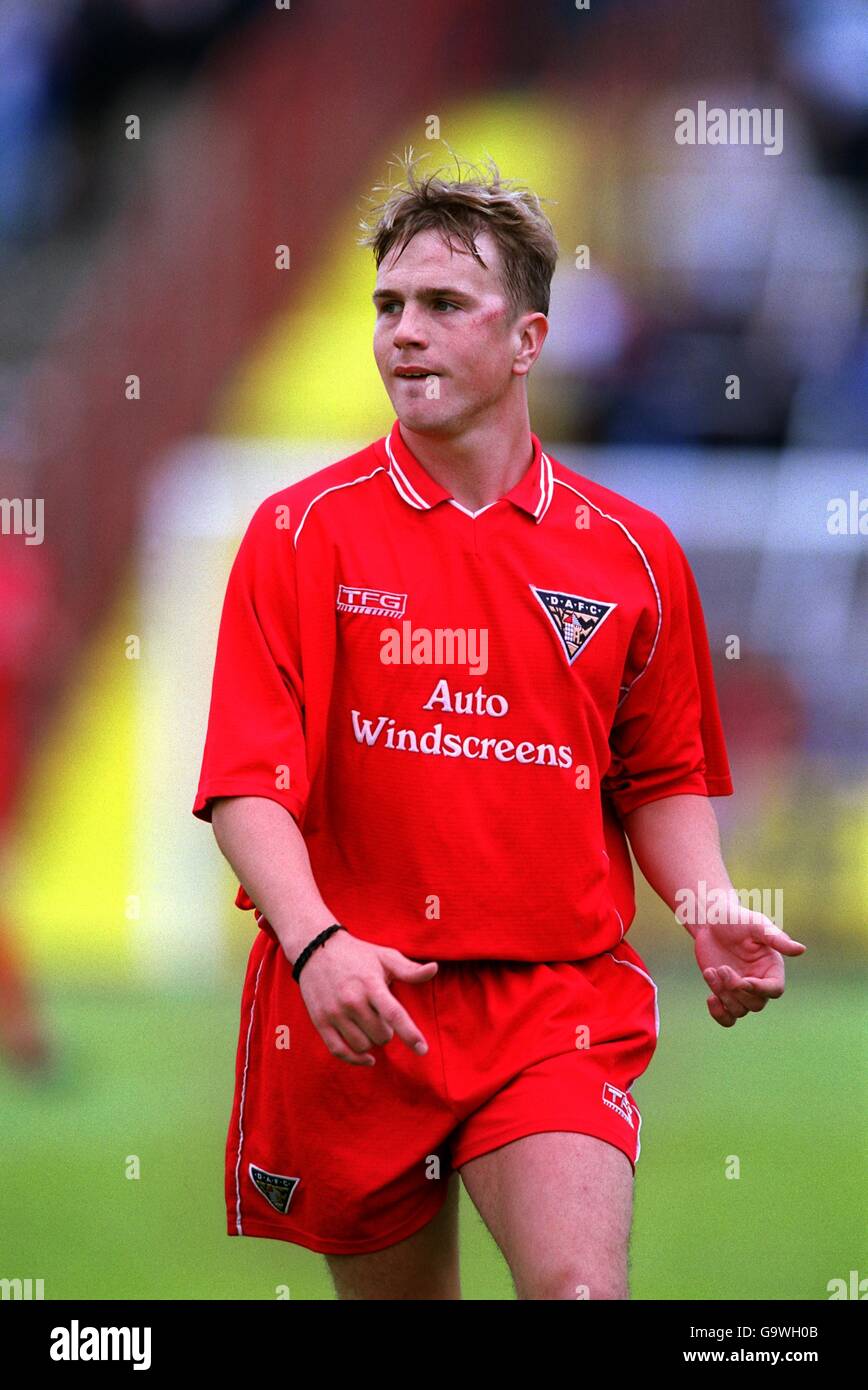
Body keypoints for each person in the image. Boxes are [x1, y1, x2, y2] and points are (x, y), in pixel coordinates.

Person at [192, 151, 806, 1300]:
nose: (401, 334)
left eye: (440, 305)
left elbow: (659, 774)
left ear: (526, 339)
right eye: (386, 306)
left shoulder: (630, 552)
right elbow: (244, 786)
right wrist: (317, 943)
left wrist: (709, 904)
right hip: (354, 1002)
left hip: (552, 1000)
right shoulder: (297, 532)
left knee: (579, 1291)